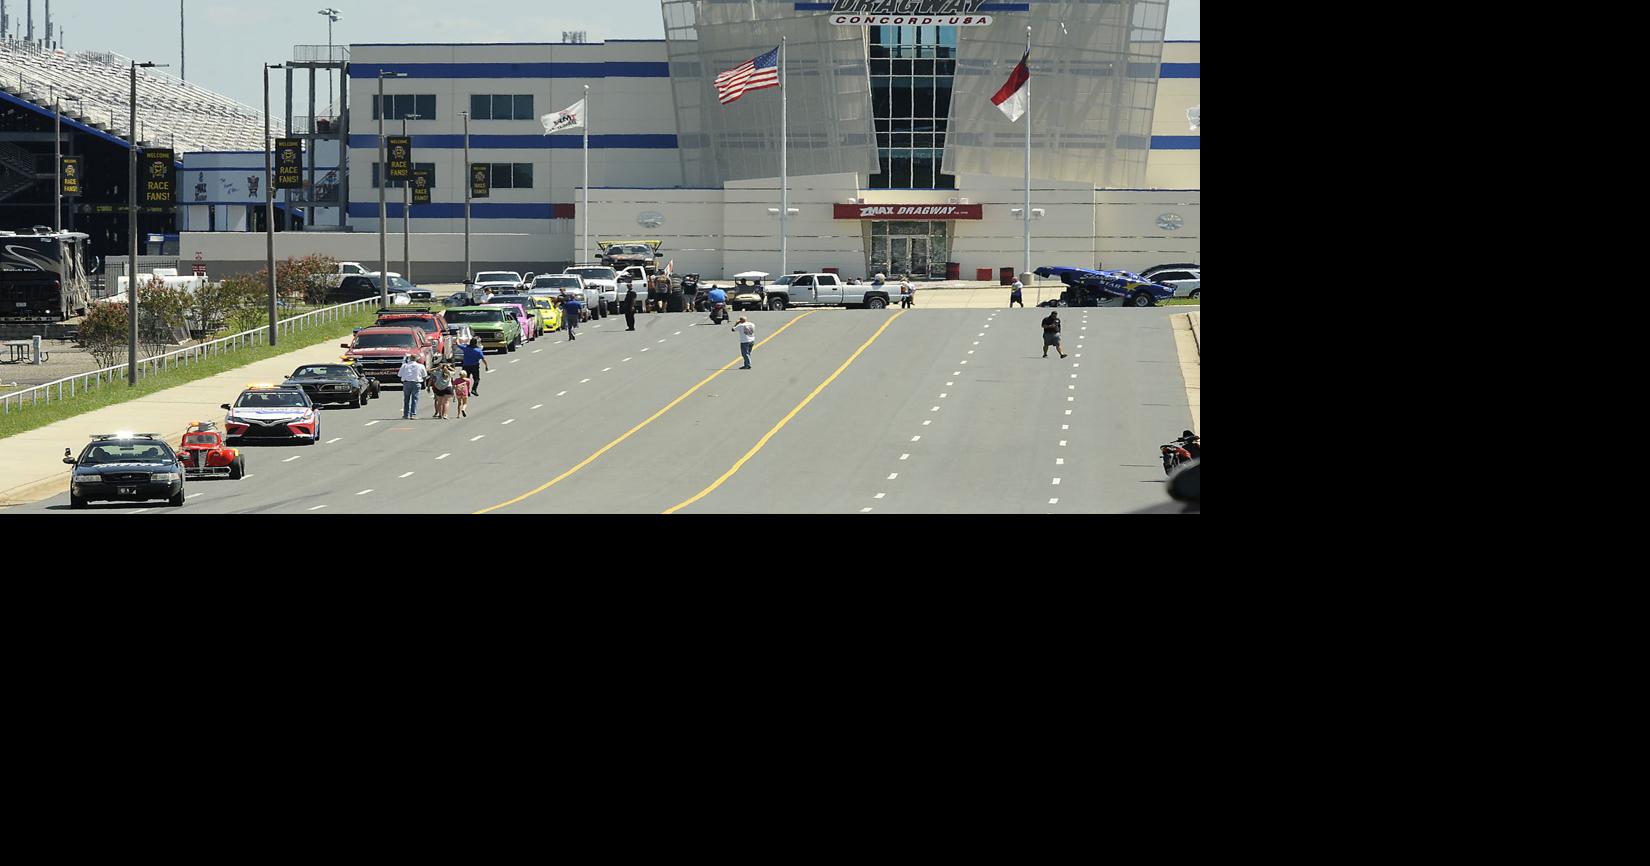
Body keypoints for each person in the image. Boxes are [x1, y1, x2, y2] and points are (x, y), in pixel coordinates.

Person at [397, 354, 428, 419]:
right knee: (415, 399)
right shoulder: (421, 366)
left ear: (410, 358)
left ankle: (406, 414)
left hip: (406, 382)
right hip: (416, 383)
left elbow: (399, 375)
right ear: (417, 359)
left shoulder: (404, 365)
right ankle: (413, 414)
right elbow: (424, 375)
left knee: (406, 399)